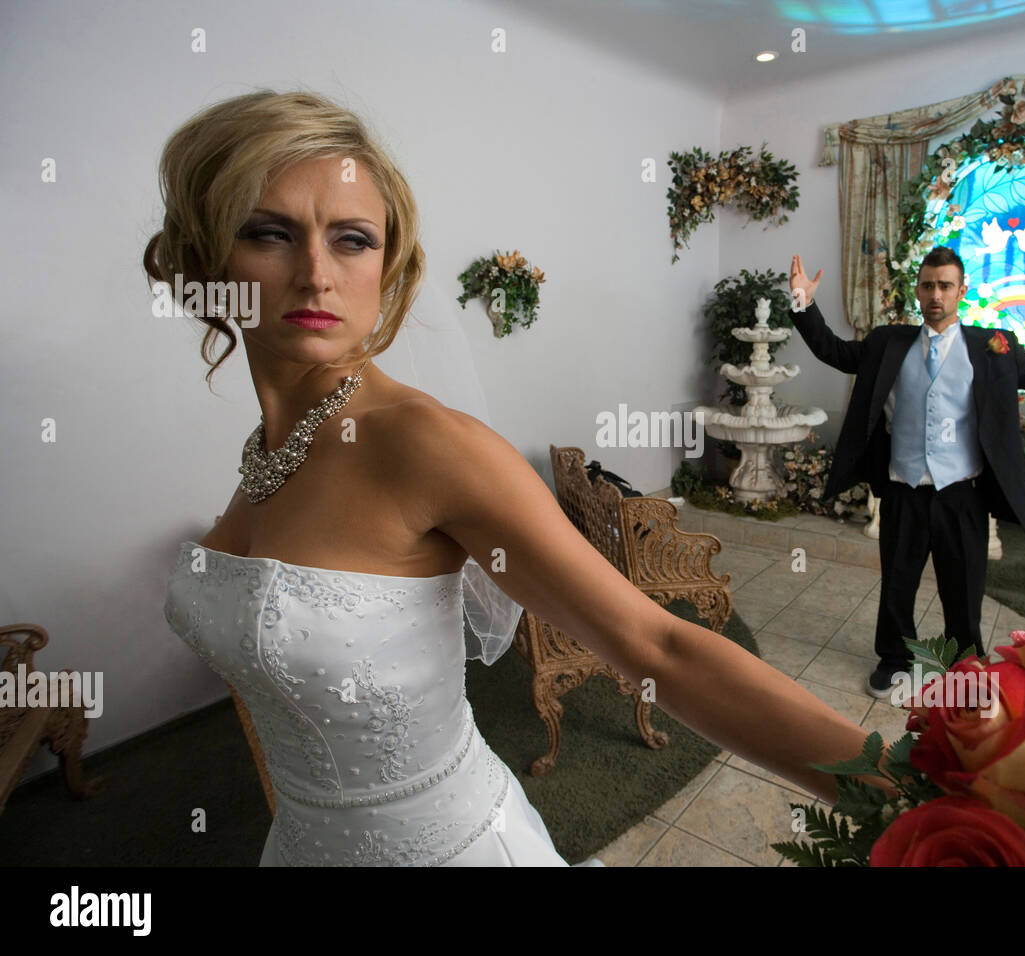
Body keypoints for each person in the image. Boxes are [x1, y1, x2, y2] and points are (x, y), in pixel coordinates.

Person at [152, 89, 878, 867]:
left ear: (389, 264)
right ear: (204, 262)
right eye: (269, 233)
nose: (317, 275)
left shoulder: (425, 445)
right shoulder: (270, 449)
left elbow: (660, 647)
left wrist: (908, 791)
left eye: (353, 239)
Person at [787, 248, 1025, 699]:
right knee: (898, 584)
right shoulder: (887, 343)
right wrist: (803, 304)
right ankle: (895, 660)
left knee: (964, 589)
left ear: (962, 291)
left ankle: (965, 667)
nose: (935, 294)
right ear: (917, 289)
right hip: (904, 490)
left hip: (963, 495)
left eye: (945, 285)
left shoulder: (995, 346)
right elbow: (835, 351)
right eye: (928, 285)